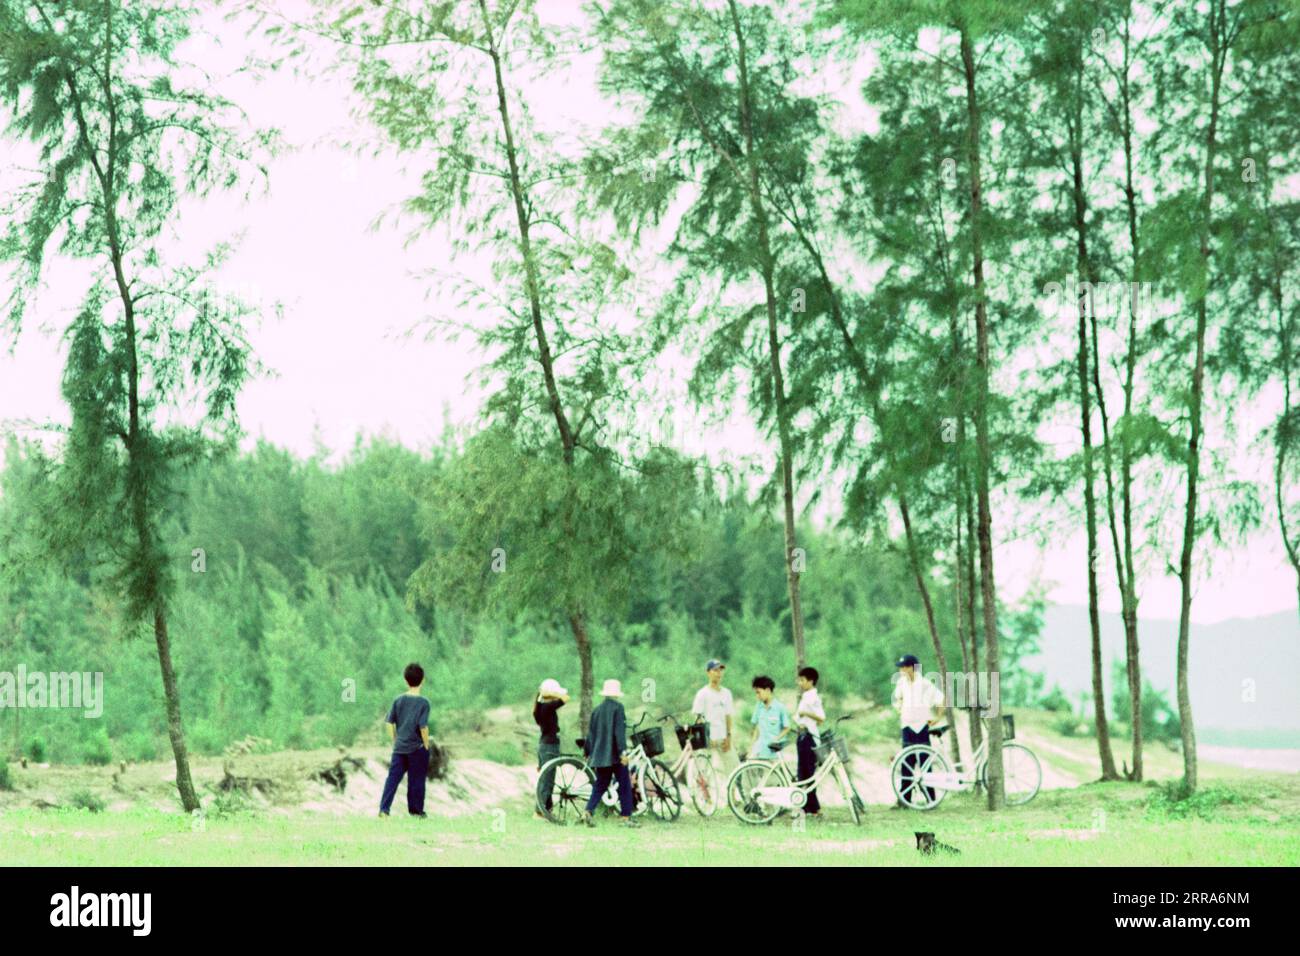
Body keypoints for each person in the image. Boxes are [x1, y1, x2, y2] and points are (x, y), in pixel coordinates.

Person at [582, 679, 639, 828]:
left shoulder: (597, 709)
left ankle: (588, 811)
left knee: (600, 784)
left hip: (600, 755)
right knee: (625, 783)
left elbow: (591, 734)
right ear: (617, 694)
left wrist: (588, 751)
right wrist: (623, 753)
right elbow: (619, 733)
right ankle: (626, 817)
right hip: (614, 755)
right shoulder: (618, 708)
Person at [378, 662, 432, 818]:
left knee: (392, 779)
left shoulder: (398, 700)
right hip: (416, 748)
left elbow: (389, 722)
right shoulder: (424, 703)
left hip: (399, 748)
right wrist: (426, 745)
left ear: (405, 680)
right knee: (416, 781)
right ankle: (416, 812)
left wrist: (395, 739)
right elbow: (423, 727)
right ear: (422, 680)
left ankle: (384, 809)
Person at [892, 653, 944, 807]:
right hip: (907, 726)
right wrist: (899, 708)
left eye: (904, 667)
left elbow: (940, 699)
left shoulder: (925, 684)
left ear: (912, 667)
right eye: (901, 667)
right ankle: (904, 800)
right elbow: (898, 699)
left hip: (921, 727)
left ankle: (930, 799)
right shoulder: (901, 683)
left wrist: (938, 718)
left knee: (925, 763)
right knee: (906, 763)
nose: (901, 670)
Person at [692, 659, 736, 777]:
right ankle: (708, 796)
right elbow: (698, 718)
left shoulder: (726, 693)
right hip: (709, 741)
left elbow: (728, 716)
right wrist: (706, 737)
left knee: (734, 769)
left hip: (723, 739)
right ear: (708, 673)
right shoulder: (702, 694)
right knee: (707, 774)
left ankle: (734, 794)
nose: (718, 673)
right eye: (715, 670)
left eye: (720, 670)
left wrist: (728, 736)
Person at [533, 677, 569, 819]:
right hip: (550, 746)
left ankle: (546, 809)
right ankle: (539, 811)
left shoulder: (540, 707)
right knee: (548, 780)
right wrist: (554, 693)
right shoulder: (548, 707)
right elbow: (566, 698)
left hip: (543, 745)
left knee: (545, 779)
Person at [793, 666, 825, 816]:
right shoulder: (807, 696)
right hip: (803, 735)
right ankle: (809, 806)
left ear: (811, 681)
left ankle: (812, 807)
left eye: (802, 680)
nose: (800, 683)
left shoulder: (812, 697)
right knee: (804, 772)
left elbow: (821, 718)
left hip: (808, 737)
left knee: (807, 773)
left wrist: (805, 713)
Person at [748, 675, 794, 759]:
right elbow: (757, 728)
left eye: (759, 692)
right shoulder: (759, 706)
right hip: (759, 749)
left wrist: (776, 739)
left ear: (768, 690)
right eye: (756, 693)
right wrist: (751, 748)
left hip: (773, 752)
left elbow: (787, 727)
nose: (757, 696)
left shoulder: (780, 708)